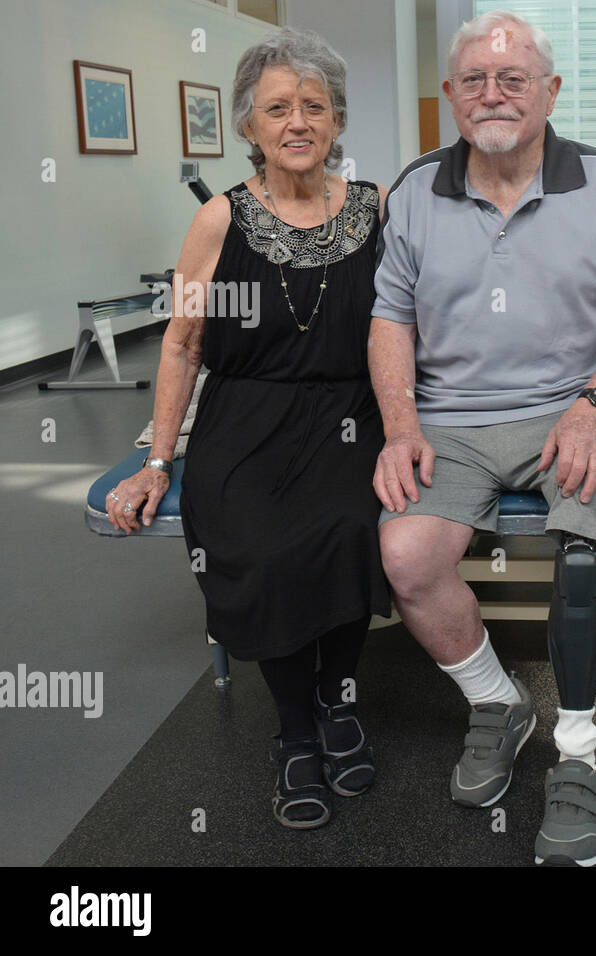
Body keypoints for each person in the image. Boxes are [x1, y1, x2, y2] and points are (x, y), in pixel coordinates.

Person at [369, 9, 596, 865]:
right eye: (475, 80)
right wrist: (398, 427)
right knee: (408, 561)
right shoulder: (418, 189)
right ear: (450, 95)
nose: (492, 94)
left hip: (568, 404)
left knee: (577, 556)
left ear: (549, 92)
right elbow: (390, 317)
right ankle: (497, 702)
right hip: (451, 417)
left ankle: (578, 756)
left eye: (512, 79)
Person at [105, 28, 391, 830]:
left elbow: (408, 321)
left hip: (349, 413)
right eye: (277, 108)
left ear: (336, 121)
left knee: (349, 530)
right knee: (262, 548)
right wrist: (160, 459)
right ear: (248, 125)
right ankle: (296, 732)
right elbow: (184, 343)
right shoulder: (218, 222)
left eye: (314, 105)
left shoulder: (377, 208)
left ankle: (340, 707)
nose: (296, 122)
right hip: (246, 415)